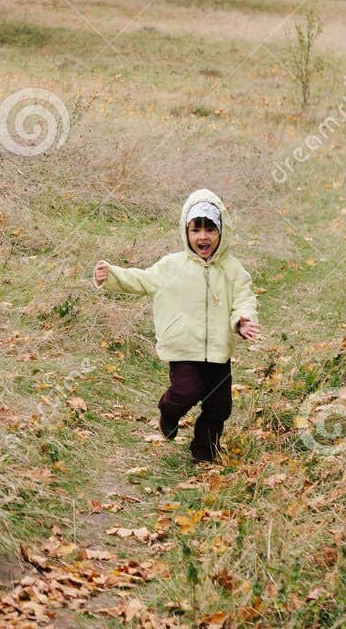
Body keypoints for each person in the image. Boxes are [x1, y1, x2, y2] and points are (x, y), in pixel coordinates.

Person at [93, 189, 260, 464]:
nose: (203, 237)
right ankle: (168, 411)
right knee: (186, 392)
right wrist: (112, 275)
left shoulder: (233, 269)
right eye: (196, 230)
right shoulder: (172, 266)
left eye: (210, 229)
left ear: (222, 232)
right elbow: (142, 280)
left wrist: (241, 321)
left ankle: (204, 453)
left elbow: (244, 299)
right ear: (186, 232)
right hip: (183, 347)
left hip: (219, 351)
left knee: (219, 407)